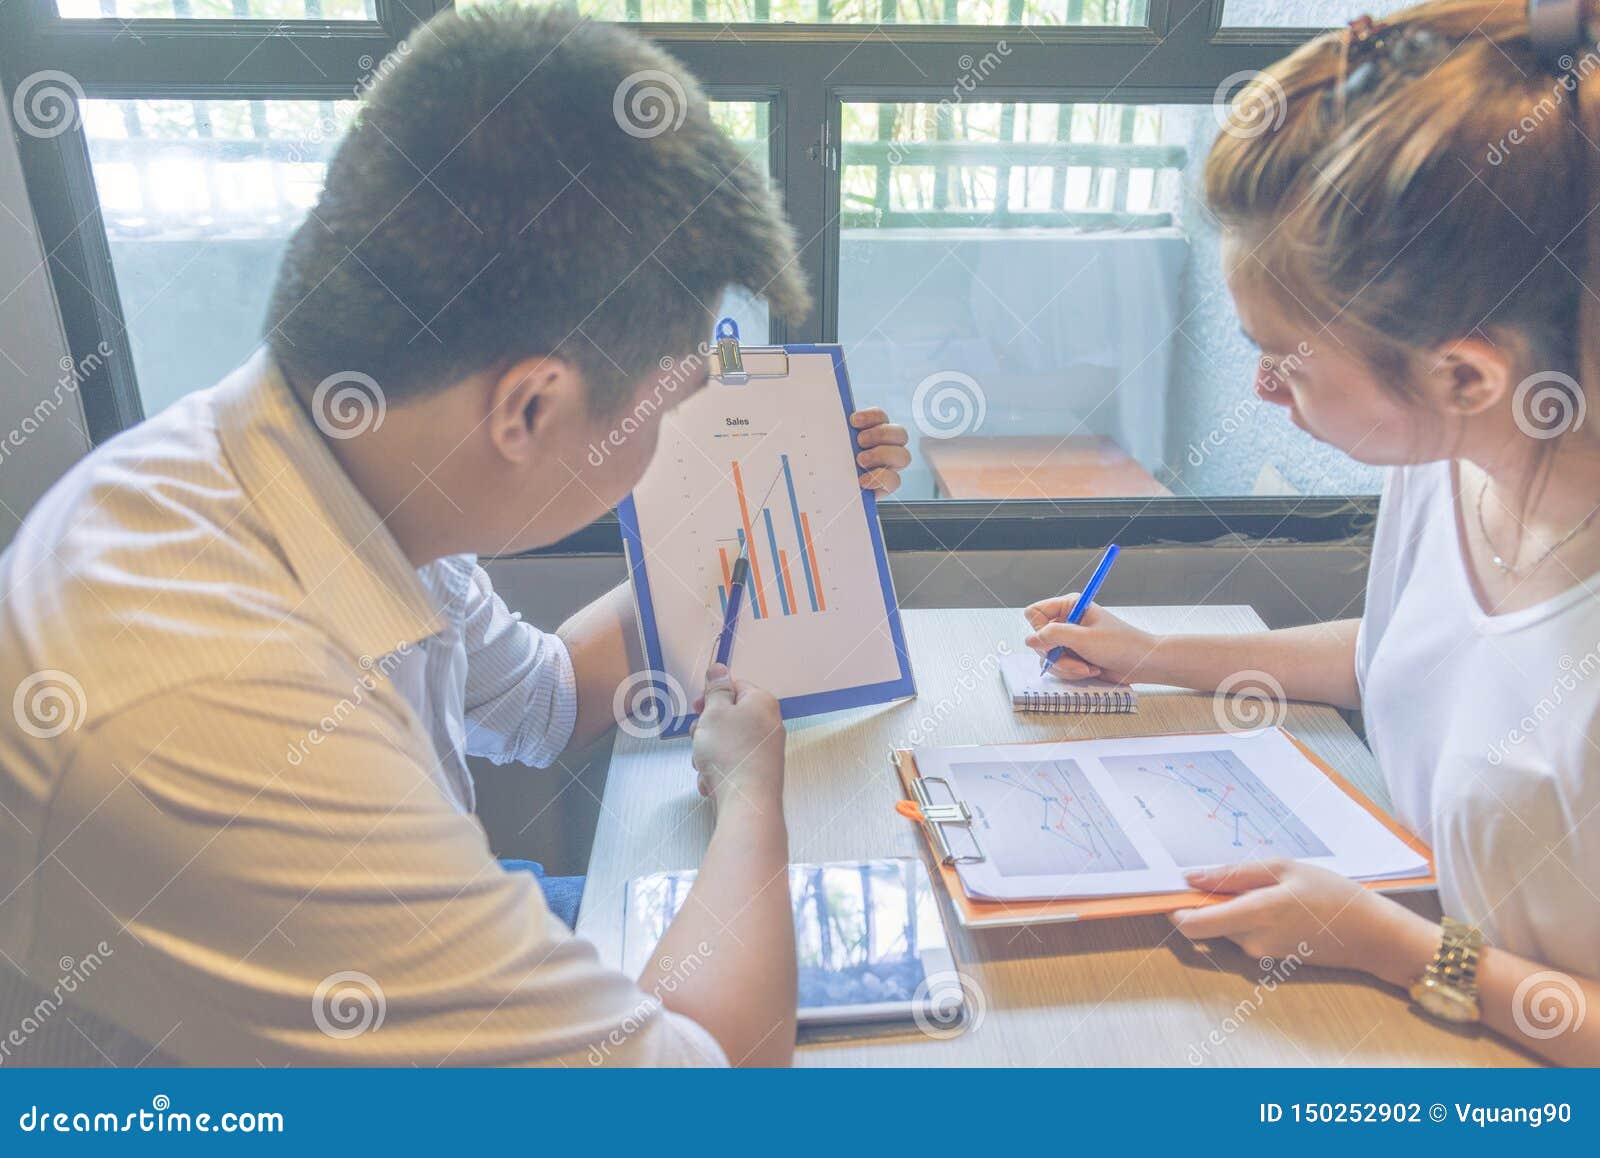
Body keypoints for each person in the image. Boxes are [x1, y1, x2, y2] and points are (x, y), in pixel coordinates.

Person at [0, 8, 910, 1067]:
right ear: (527, 409)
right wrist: (753, 793)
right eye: (661, 416)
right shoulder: (213, 715)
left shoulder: (321, 462)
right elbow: (705, 1090)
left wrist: (776, 505)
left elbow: (548, 699)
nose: (665, 448)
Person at [1024, 0, 1598, 1065]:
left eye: (1284, 357)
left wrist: (1393, 947)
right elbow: (1414, 653)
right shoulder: (1452, 457)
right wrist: (1152, 654)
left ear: (1464, 371)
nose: (1260, 384)